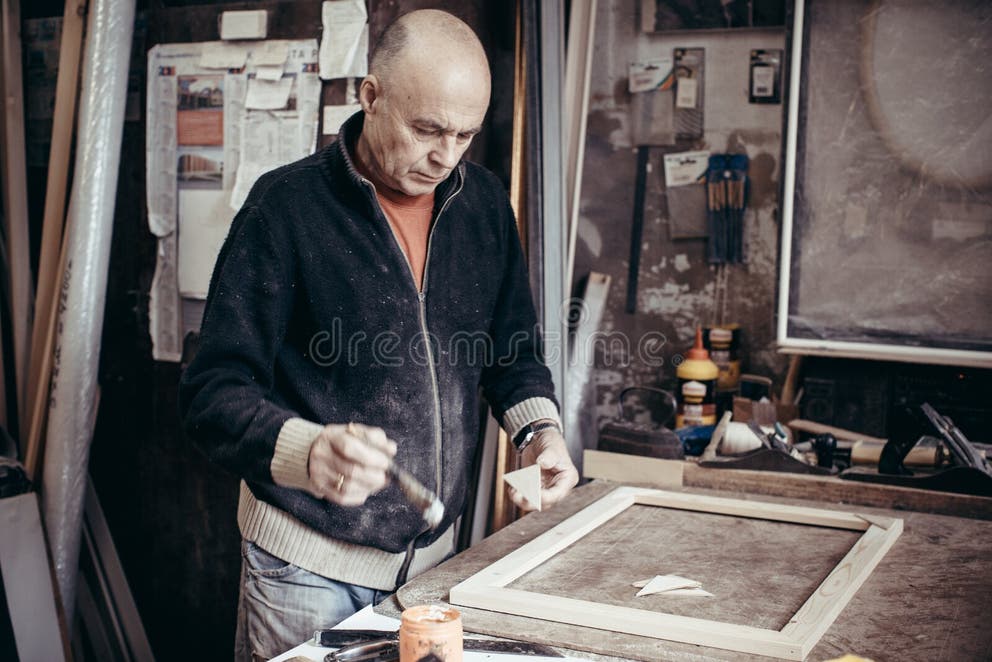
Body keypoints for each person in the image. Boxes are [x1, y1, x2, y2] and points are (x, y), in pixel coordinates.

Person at [178, 9, 579, 661]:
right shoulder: (284, 210)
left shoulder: (480, 204)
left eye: (463, 135)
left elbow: (512, 355)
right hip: (305, 571)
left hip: (433, 566)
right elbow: (210, 393)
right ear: (371, 96)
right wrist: (305, 449)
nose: (444, 156)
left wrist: (539, 436)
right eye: (427, 129)